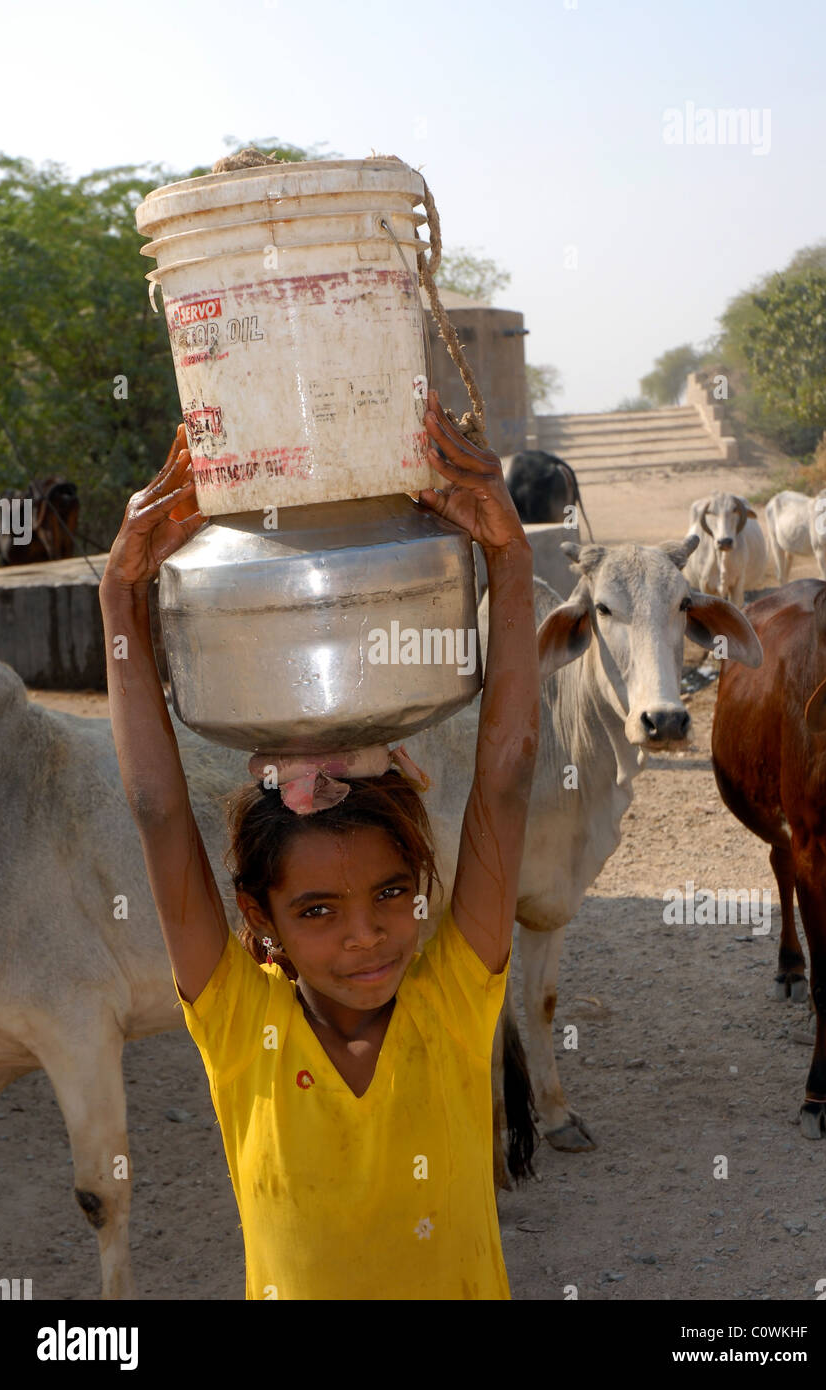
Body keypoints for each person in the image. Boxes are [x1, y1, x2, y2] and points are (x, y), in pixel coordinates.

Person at [99, 388, 540, 1300]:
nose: (366, 936)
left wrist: (508, 557)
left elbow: (509, 772)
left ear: (423, 887)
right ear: (260, 919)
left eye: (389, 894)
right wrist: (120, 596)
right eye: (317, 911)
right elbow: (155, 807)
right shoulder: (237, 1025)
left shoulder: (454, 1002)